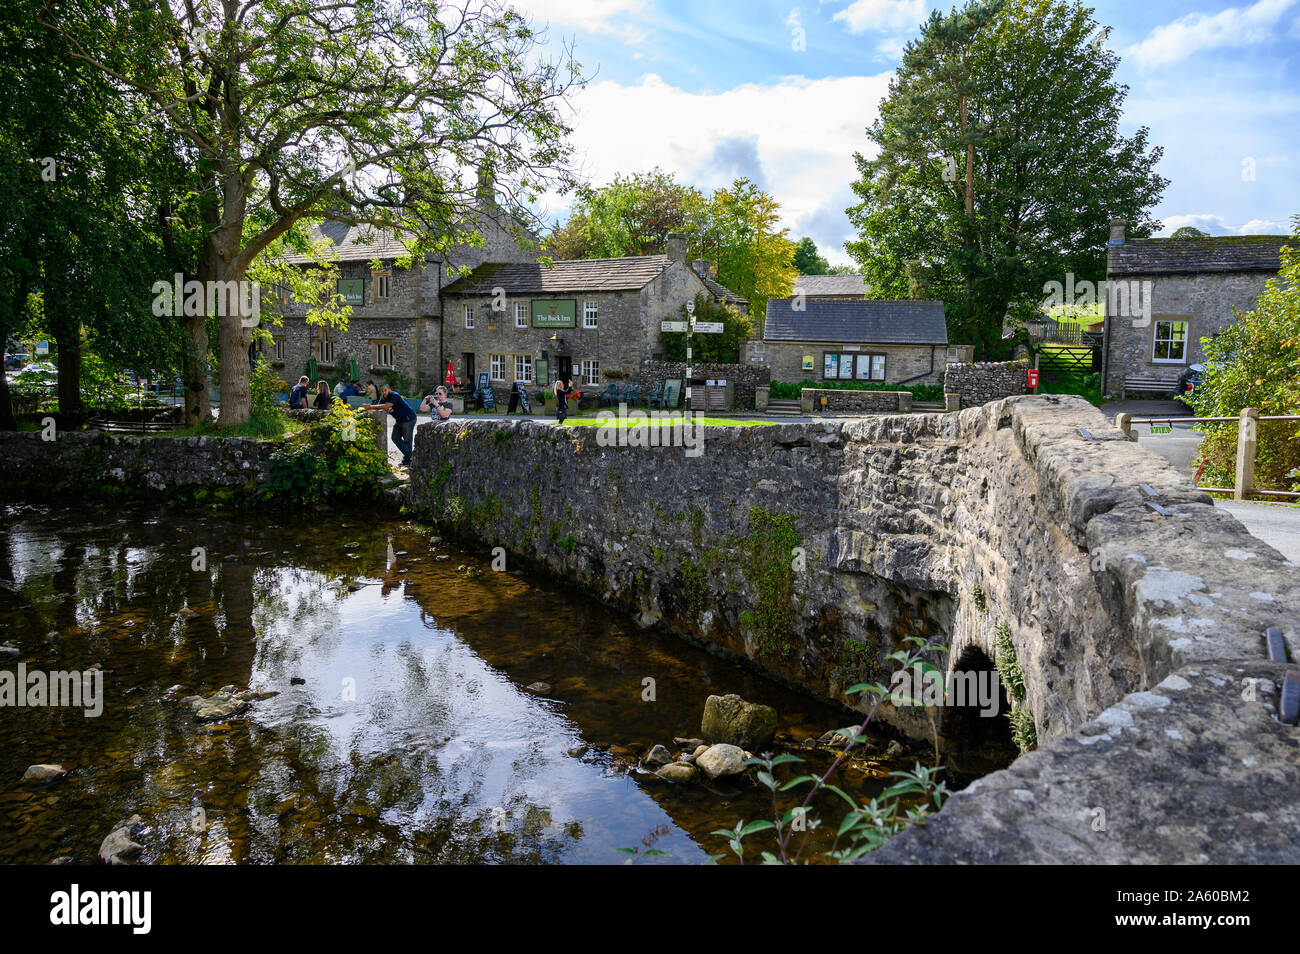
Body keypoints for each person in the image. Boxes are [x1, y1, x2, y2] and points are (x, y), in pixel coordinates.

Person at [364, 382, 417, 467]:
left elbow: (386, 406)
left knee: (407, 440)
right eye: (382, 391)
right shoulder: (383, 398)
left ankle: (407, 460)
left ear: (389, 389)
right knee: (395, 438)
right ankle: (411, 456)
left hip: (408, 418)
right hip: (399, 420)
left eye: (385, 390)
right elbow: (379, 408)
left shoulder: (394, 395)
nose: (384, 392)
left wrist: (370, 406)